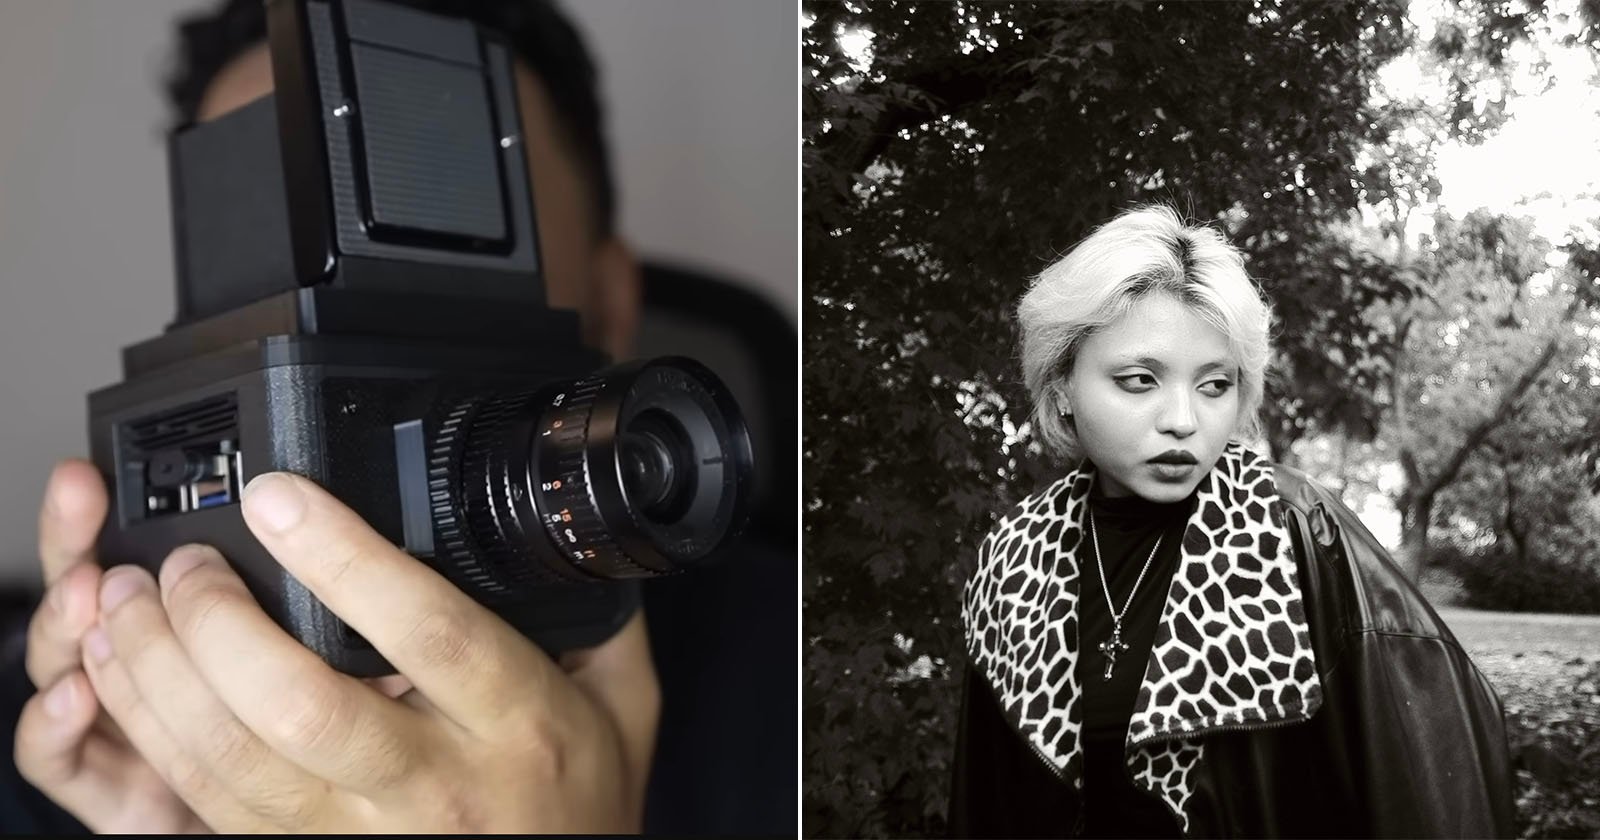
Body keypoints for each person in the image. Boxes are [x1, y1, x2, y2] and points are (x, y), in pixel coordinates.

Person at [2, 0, 790, 833]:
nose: (391, 308)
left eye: (471, 287)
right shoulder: (80, 736)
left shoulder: (800, 679)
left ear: (612, 303)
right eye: (282, 282)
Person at [948, 204, 1515, 838]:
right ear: (1061, 391)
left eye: (1215, 385)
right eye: (1139, 380)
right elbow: (986, 796)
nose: (1184, 420)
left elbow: (1441, 769)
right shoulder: (1015, 556)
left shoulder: (1298, 533)